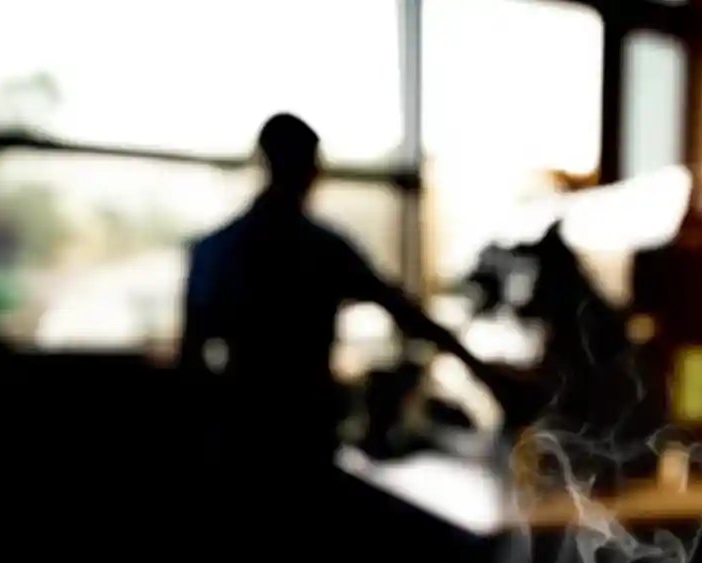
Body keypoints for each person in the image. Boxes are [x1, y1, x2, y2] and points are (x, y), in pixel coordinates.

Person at [180, 113, 521, 478]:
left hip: (239, 431)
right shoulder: (322, 250)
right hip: (304, 427)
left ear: (262, 161)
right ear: (314, 169)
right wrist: (488, 377)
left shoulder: (213, 252)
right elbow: (408, 314)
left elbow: (192, 361)